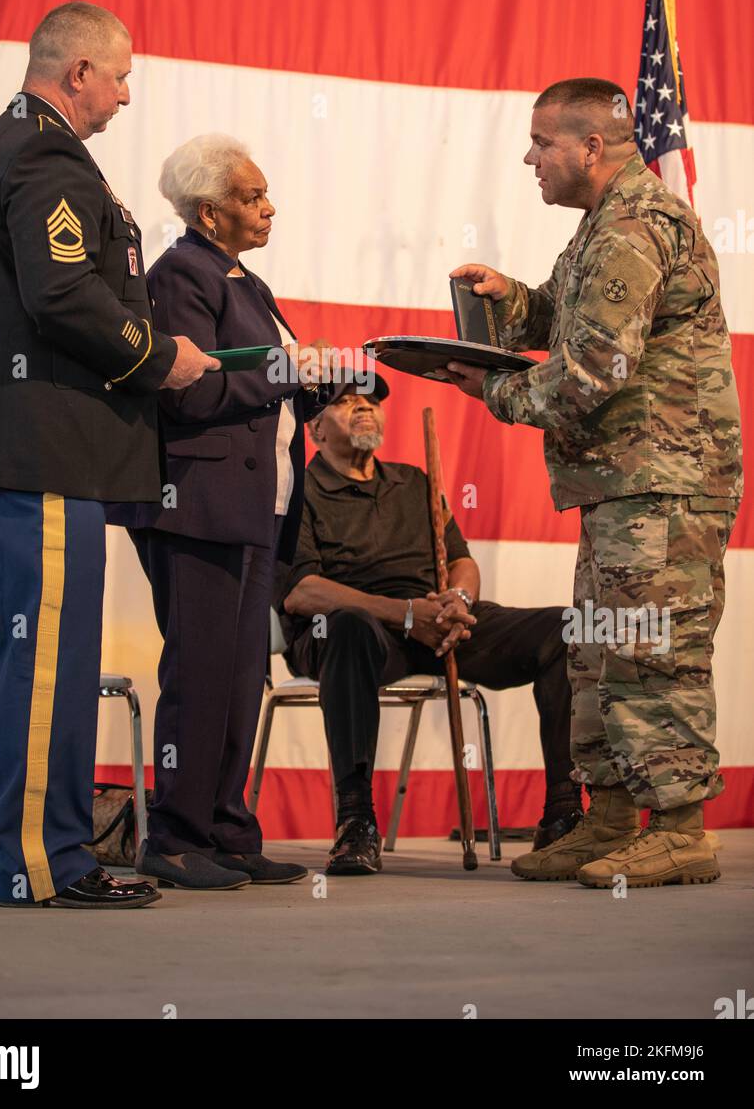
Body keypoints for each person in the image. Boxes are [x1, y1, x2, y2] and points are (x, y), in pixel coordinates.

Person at [0, 1, 217, 910]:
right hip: (42, 450)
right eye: (123, 76)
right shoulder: (47, 152)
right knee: (44, 663)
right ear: (80, 71)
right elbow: (61, 295)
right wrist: (157, 355)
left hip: (1, 450)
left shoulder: (7, 142)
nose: (129, 96)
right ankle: (50, 860)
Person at [444, 77, 743, 888]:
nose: (531, 157)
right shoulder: (601, 228)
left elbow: (593, 370)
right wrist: (515, 301)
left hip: (662, 484)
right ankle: (610, 817)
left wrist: (495, 392)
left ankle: (680, 829)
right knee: (600, 655)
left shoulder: (635, 227)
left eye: (543, 143)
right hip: (625, 485)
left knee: (653, 651)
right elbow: (579, 321)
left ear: (590, 148)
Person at [110, 135, 335, 890]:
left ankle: (228, 829)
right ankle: (172, 836)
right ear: (210, 210)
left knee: (243, 674)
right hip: (196, 504)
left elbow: (260, 380)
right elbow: (191, 389)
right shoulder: (182, 276)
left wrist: (316, 381)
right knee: (201, 673)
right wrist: (283, 371)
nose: (268, 208)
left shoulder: (244, 280)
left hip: (255, 504)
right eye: (251, 197)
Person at [277, 377, 581, 876]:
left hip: (433, 626)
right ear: (314, 428)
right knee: (349, 626)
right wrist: (406, 614)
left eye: (372, 400)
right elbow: (302, 592)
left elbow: (462, 563)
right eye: (345, 402)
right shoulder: (296, 489)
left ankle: (563, 814)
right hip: (351, 635)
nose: (364, 407)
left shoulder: (415, 481)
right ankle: (356, 822)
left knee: (564, 629)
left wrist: (457, 604)